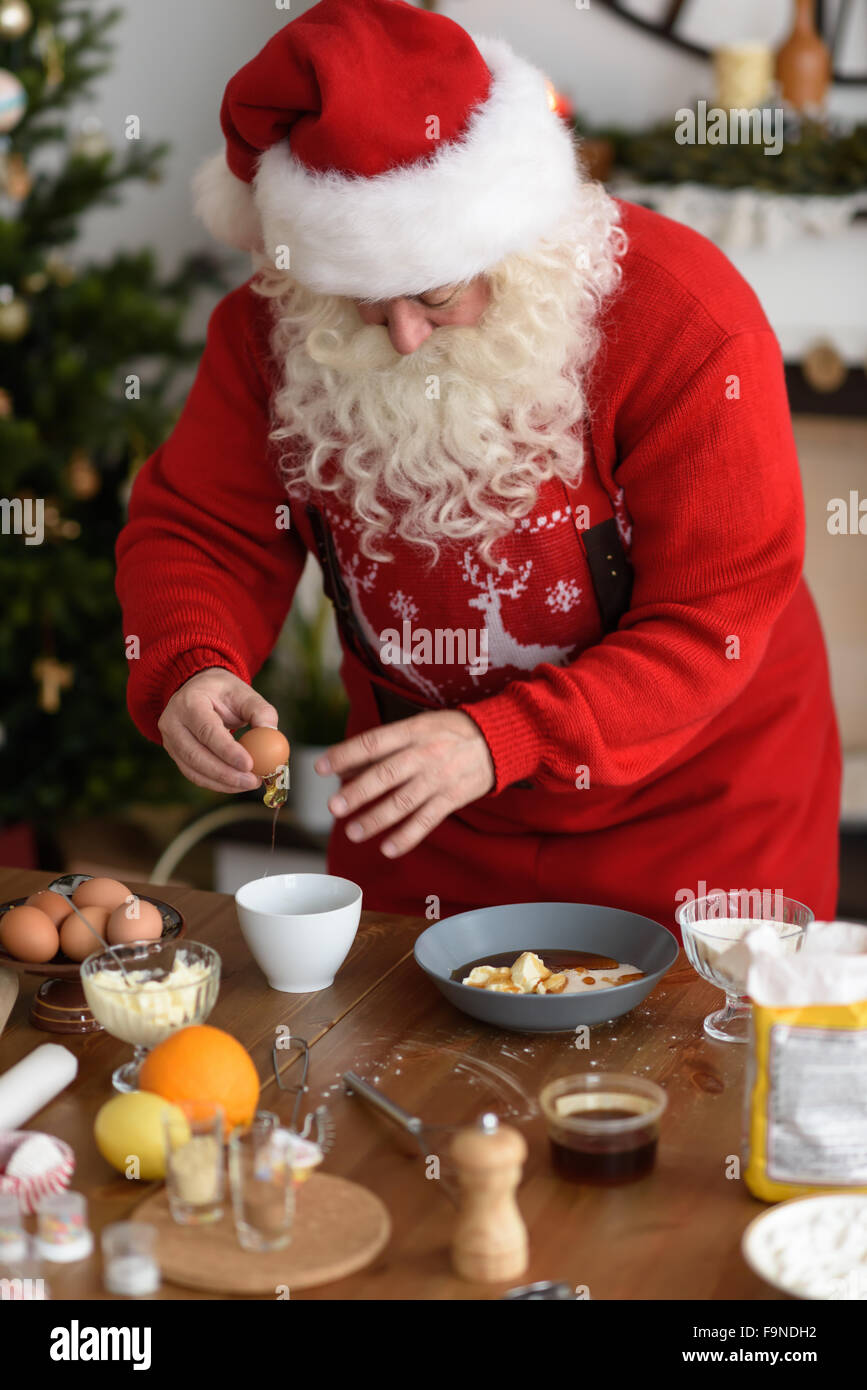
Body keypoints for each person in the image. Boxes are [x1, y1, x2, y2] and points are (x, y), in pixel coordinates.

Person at [115, 0, 840, 932]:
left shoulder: (686, 323)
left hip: (693, 817)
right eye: (363, 303)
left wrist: (508, 736)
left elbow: (717, 616)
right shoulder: (272, 326)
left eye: (435, 294)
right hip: (424, 813)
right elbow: (202, 527)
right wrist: (190, 663)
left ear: (512, 236)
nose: (405, 335)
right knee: (398, 1068)